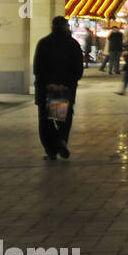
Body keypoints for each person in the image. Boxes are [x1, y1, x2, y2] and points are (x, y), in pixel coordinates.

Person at [33, 16, 84, 160]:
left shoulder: (44, 43)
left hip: (46, 90)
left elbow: (38, 67)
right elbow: (77, 68)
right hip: (63, 89)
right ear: (65, 27)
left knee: (45, 120)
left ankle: (51, 150)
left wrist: (49, 83)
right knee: (60, 118)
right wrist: (65, 84)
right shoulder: (72, 44)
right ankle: (61, 140)